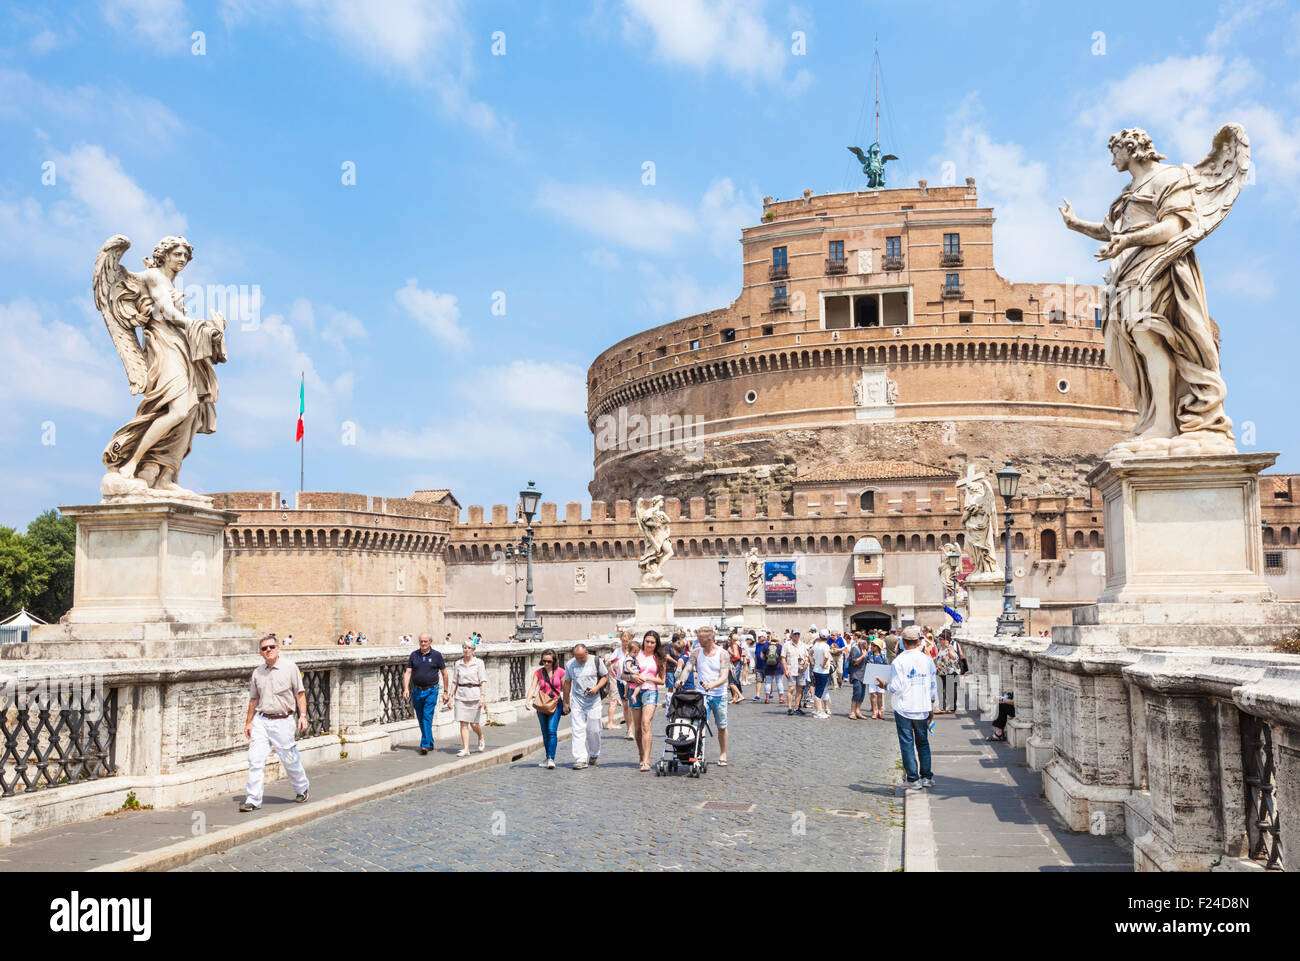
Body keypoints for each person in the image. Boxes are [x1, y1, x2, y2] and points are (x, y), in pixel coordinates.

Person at [239, 634, 310, 811]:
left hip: (283, 720)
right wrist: (249, 723)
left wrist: (303, 715)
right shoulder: (257, 672)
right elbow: (253, 700)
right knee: (255, 760)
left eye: (271, 647)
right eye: (264, 648)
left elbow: (299, 693)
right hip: (261, 720)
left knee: (289, 759)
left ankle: (302, 788)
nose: (268, 650)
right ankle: (253, 800)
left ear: (278, 648)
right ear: (260, 653)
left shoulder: (290, 668)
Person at [879, 625, 937, 789]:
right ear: (918, 641)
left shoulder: (899, 661)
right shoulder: (927, 660)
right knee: (923, 742)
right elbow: (933, 684)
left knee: (907, 743)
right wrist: (931, 705)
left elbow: (896, 687)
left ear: (903, 642)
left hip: (904, 707)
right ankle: (927, 777)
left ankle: (913, 779)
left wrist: (884, 685)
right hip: (923, 706)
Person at [675, 625, 730, 766]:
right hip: (701, 694)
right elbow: (688, 668)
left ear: (710, 639)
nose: (698, 641)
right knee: (698, 725)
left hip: (719, 694)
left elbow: (724, 676)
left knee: (721, 726)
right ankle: (697, 754)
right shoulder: (696, 652)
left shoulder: (723, 653)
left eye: (700, 639)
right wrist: (680, 679)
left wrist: (712, 685)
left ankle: (723, 753)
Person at [563, 643, 610, 769]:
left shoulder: (596, 661)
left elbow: (605, 677)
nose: (579, 660)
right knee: (577, 730)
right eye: (576, 657)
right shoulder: (570, 664)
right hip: (577, 700)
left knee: (594, 730)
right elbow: (567, 682)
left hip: (594, 701)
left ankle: (594, 754)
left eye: (581, 658)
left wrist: (596, 688)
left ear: (586, 653)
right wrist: (565, 702)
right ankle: (580, 759)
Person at [403, 632, 449, 755]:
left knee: (427, 716)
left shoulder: (437, 655)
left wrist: (445, 691)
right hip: (417, 691)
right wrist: (406, 688)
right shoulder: (414, 655)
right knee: (420, 717)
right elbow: (408, 672)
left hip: (431, 690)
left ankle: (425, 745)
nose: (423, 644)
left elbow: (445, 673)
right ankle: (430, 741)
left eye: (425, 641)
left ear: (430, 642)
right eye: (421, 641)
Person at [626, 630, 665, 772]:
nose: (649, 644)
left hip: (650, 691)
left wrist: (647, 678)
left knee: (645, 724)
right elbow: (623, 674)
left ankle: (647, 760)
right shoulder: (636, 654)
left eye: (652, 642)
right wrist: (632, 678)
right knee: (637, 729)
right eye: (647, 641)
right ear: (643, 642)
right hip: (633, 690)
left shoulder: (660, 658)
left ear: (656, 644)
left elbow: (662, 680)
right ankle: (641, 754)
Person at [524, 648, 565, 768]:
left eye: (549, 661)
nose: (546, 664)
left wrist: (566, 703)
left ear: (554, 661)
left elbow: (566, 688)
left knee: (552, 731)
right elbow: (533, 687)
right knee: (545, 732)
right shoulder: (538, 673)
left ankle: (551, 758)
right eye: (544, 661)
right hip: (541, 704)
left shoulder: (561, 672)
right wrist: (527, 700)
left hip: (555, 703)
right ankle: (547, 757)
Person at [448, 641, 487, 757]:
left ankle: (480, 736)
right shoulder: (458, 663)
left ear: (473, 650)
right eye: (464, 648)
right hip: (461, 695)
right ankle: (466, 748)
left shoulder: (479, 663)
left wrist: (483, 696)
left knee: (474, 724)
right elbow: (455, 681)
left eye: (469, 648)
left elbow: (483, 680)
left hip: (475, 694)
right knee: (463, 723)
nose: (466, 650)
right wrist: (450, 696)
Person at [606, 631, 632, 733]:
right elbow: (609, 661)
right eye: (623, 641)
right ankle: (625, 727)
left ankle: (630, 726)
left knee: (630, 705)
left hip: (630, 681)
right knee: (623, 704)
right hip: (619, 681)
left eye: (627, 641)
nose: (625, 644)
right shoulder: (618, 651)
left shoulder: (633, 651)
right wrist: (609, 661)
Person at [935, 633, 962, 714]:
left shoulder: (950, 647)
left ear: (946, 640)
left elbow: (953, 657)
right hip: (941, 671)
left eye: (940, 639)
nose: (938, 641)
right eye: (938, 639)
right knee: (940, 690)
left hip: (951, 671)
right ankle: (942, 708)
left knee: (951, 690)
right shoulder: (940, 648)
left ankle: (952, 708)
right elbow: (938, 658)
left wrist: (949, 649)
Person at [783, 630, 807, 716]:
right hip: (791, 669)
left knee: (799, 689)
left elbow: (806, 656)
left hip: (801, 670)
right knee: (791, 689)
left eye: (798, 634)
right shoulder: (787, 645)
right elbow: (783, 658)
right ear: (791, 635)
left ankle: (796, 707)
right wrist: (785, 670)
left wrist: (806, 662)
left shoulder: (802, 645)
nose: (797, 635)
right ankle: (789, 708)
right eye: (795, 634)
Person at [847, 635, 870, 720]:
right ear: (861, 643)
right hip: (856, 674)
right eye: (864, 643)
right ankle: (852, 712)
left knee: (862, 694)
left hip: (864, 674)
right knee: (857, 692)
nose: (866, 645)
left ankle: (858, 711)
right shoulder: (855, 649)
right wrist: (863, 656)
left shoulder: (865, 650)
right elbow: (854, 662)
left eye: (867, 644)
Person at [810, 631, 833, 718]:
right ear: (827, 637)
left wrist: (813, 662)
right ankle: (818, 711)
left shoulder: (816, 645)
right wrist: (823, 664)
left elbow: (810, 653)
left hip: (816, 670)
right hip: (823, 671)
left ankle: (817, 710)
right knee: (819, 692)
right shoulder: (826, 646)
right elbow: (826, 656)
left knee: (817, 690)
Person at [866, 642, 888, 719]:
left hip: (881, 676)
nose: (872, 647)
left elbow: (886, 666)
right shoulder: (869, 654)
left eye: (874, 645)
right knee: (873, 694)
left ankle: (880, 711)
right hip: (871, 675)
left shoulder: (883, 656)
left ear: (878, 647)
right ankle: (874, 711)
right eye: (871, 645)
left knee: (880, 695)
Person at [727, 632, 745, 704]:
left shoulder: (734, 645)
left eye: (729, 639)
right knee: (734, 682)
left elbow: (736, 656)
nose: (728, 641)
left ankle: (740, 696)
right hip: (737, 664)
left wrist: (729, 651)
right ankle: (734, 698)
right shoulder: (738, 645)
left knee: (731, 682)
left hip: (735, 664)